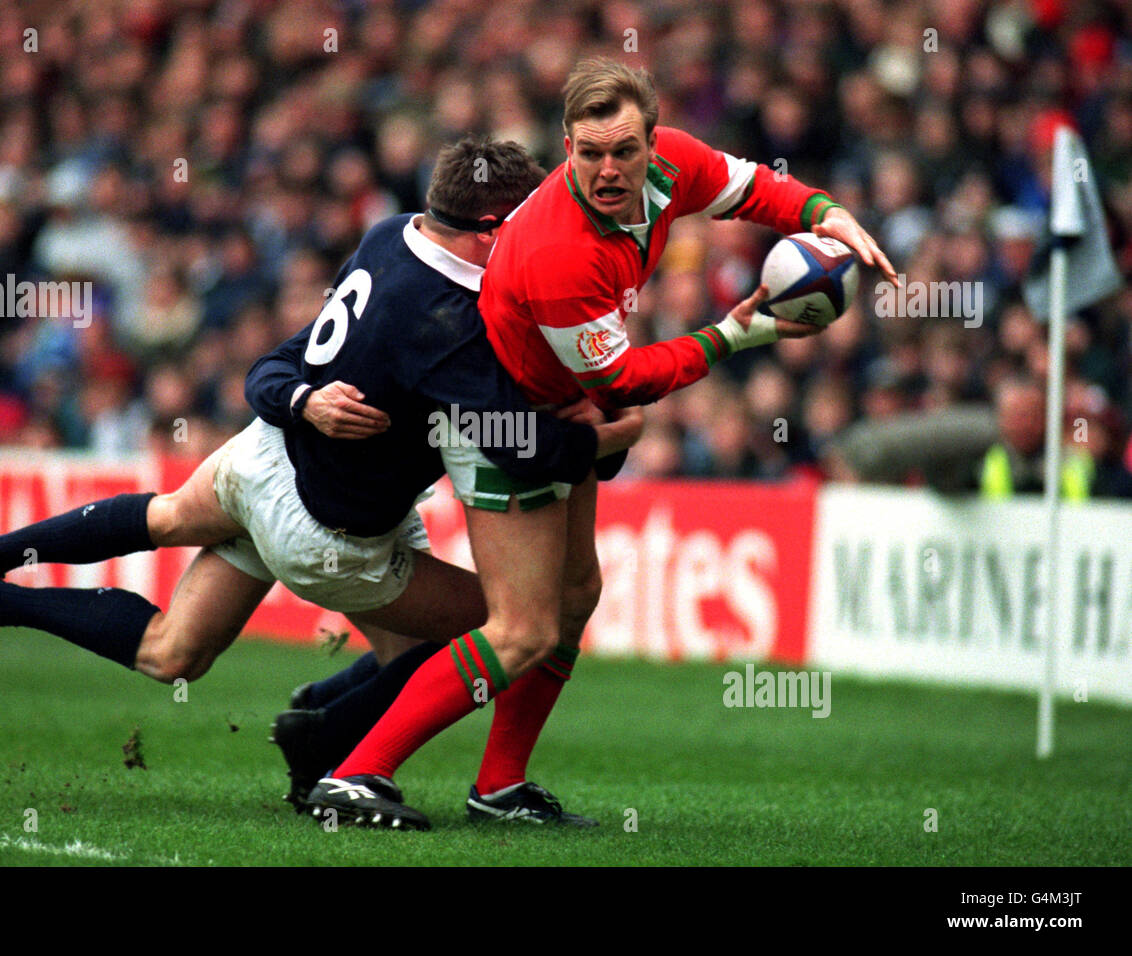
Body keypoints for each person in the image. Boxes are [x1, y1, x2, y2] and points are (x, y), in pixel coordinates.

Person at [0, 137, 643, 828]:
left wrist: (299, 400)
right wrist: (608, 437)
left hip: (265, 454)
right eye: (528, 220)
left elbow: (275, 363)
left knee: (172, 640)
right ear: (491, 227)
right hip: (324, 529)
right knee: (503, 631)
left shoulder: (391, 233)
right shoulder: (452, 320)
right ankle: (330, 741)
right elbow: (529, 453)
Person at [310, 58, 898, 828]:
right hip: (506, 417)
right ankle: (357, 775)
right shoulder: (560, 252)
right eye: (589, 154)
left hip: (562, 399)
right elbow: (622, 379)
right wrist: (738, 333)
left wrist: (824, 212)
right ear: (567, 146)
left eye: (624, 150)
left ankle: (499, 788)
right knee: (522, 629)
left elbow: (755, 187)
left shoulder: (676, 165)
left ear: (655, 143)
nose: (608, 170)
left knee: (576, 597)